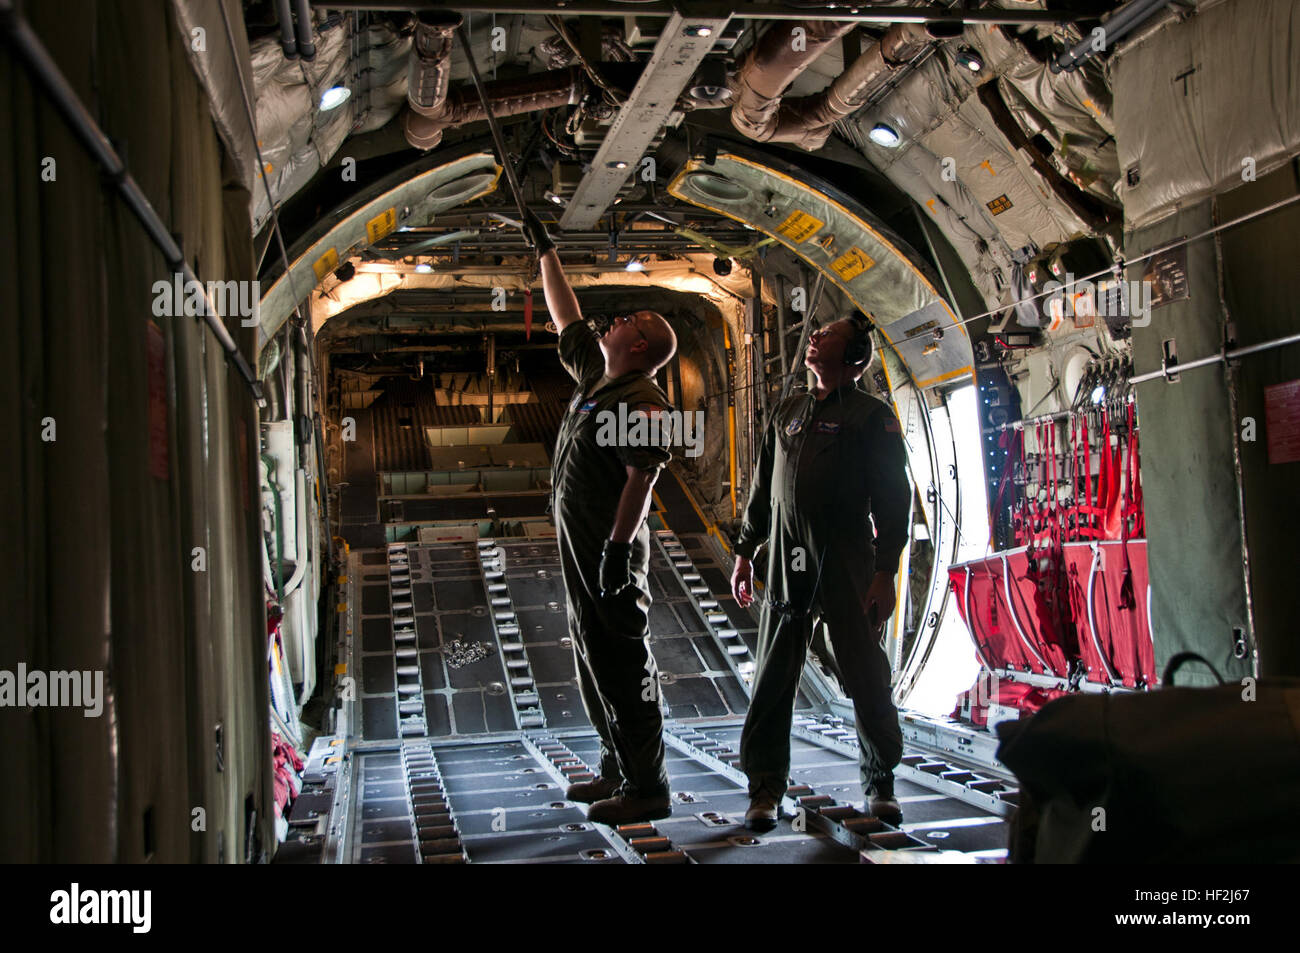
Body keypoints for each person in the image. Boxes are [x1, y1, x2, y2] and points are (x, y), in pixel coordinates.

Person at [520, 207, 679, 825]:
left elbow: (643, 476)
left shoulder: (642, 398)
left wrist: (617, 548)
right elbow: (569, 318)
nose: (614, 322)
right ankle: (618, 768)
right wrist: (545, 252)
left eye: (629, 321)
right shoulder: (597, 377)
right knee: (593, 661)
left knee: (623, 662)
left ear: (638, 346)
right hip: (585, 553)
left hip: (608, 557)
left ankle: (649, 786)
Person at [730, 312, 912, 832]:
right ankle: (764, 789)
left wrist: (885, 572)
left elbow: (892, 502)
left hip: (847, 561)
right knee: (772, 677)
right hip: (788, 563)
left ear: (853, 359)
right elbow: (764, 490)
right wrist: (746, 551)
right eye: (817, 332)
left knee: (865, 674)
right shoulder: (788, 411)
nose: (814, 336)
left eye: (827, 334)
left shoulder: (871, 418)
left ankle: (881, 784)